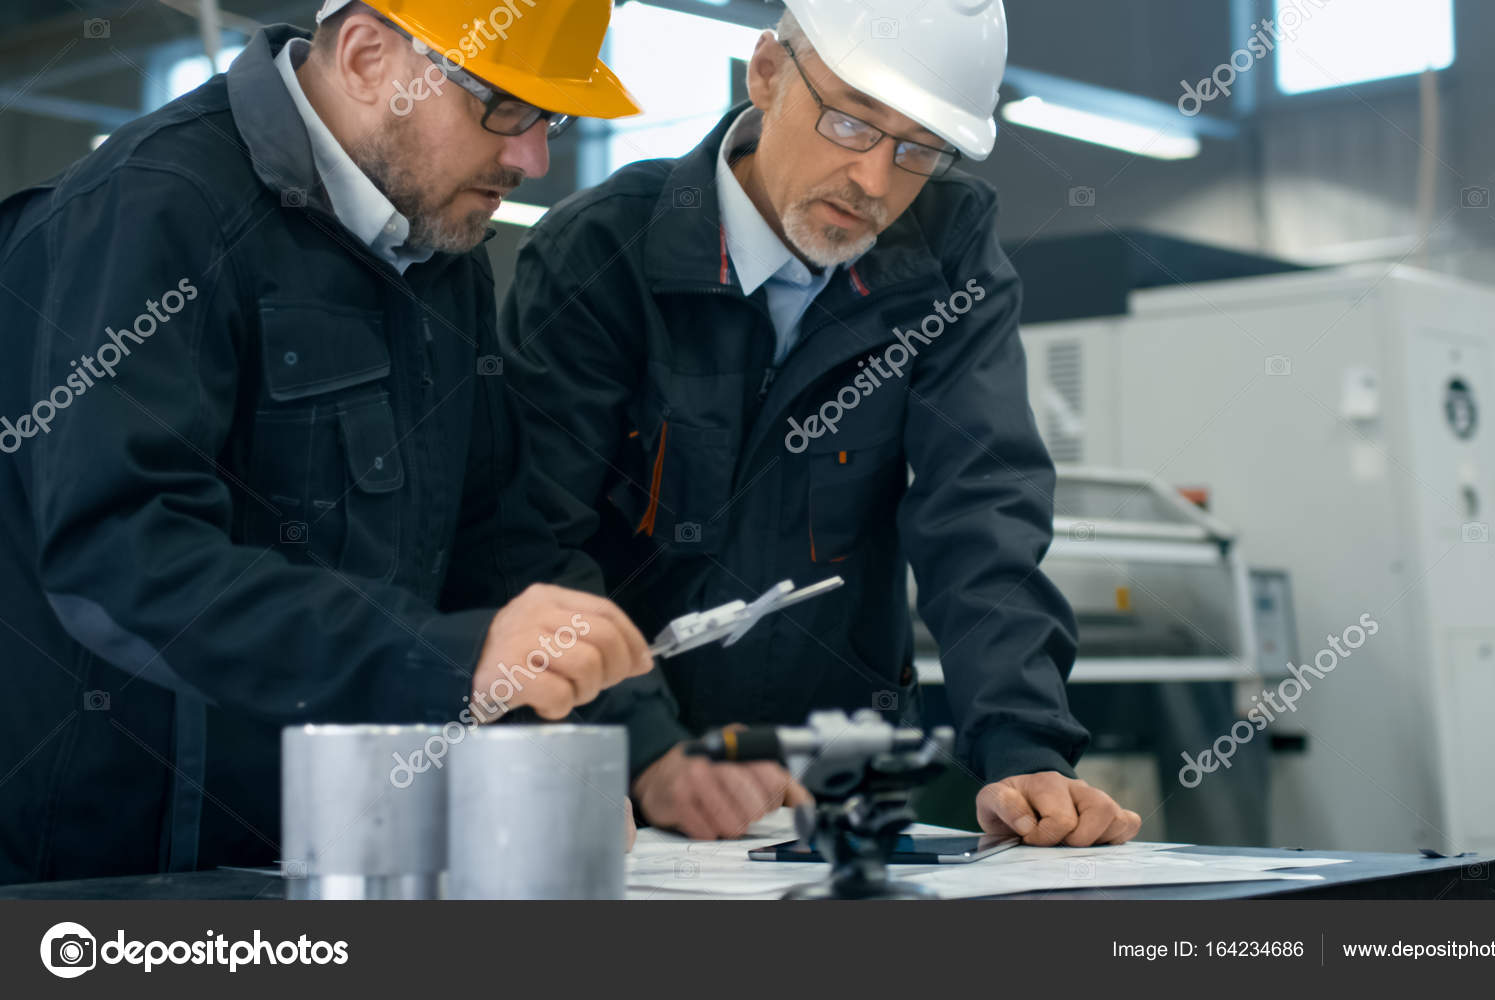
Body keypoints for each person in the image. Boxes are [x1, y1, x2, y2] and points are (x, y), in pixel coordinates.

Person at [0, 0, 649, 884]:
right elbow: (124, 561)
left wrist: (554, 752)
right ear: (368, 56)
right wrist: (448, 658)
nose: (531, 158)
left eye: (551, 119)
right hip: (110, 874)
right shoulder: (154, 209)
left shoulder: (438, 251)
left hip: (326, 857)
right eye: (504, 107)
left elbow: (492, 539)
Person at [499, 0, 1142, 847]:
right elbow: (529, 539)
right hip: (616, 773)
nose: (874, 182)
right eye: (850, 123)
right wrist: (642, 750)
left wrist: (1025, 742)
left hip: (838, 772)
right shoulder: (601, 251)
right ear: (765, 73)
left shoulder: (949, 249)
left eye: (918, 149)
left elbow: (981, 506)